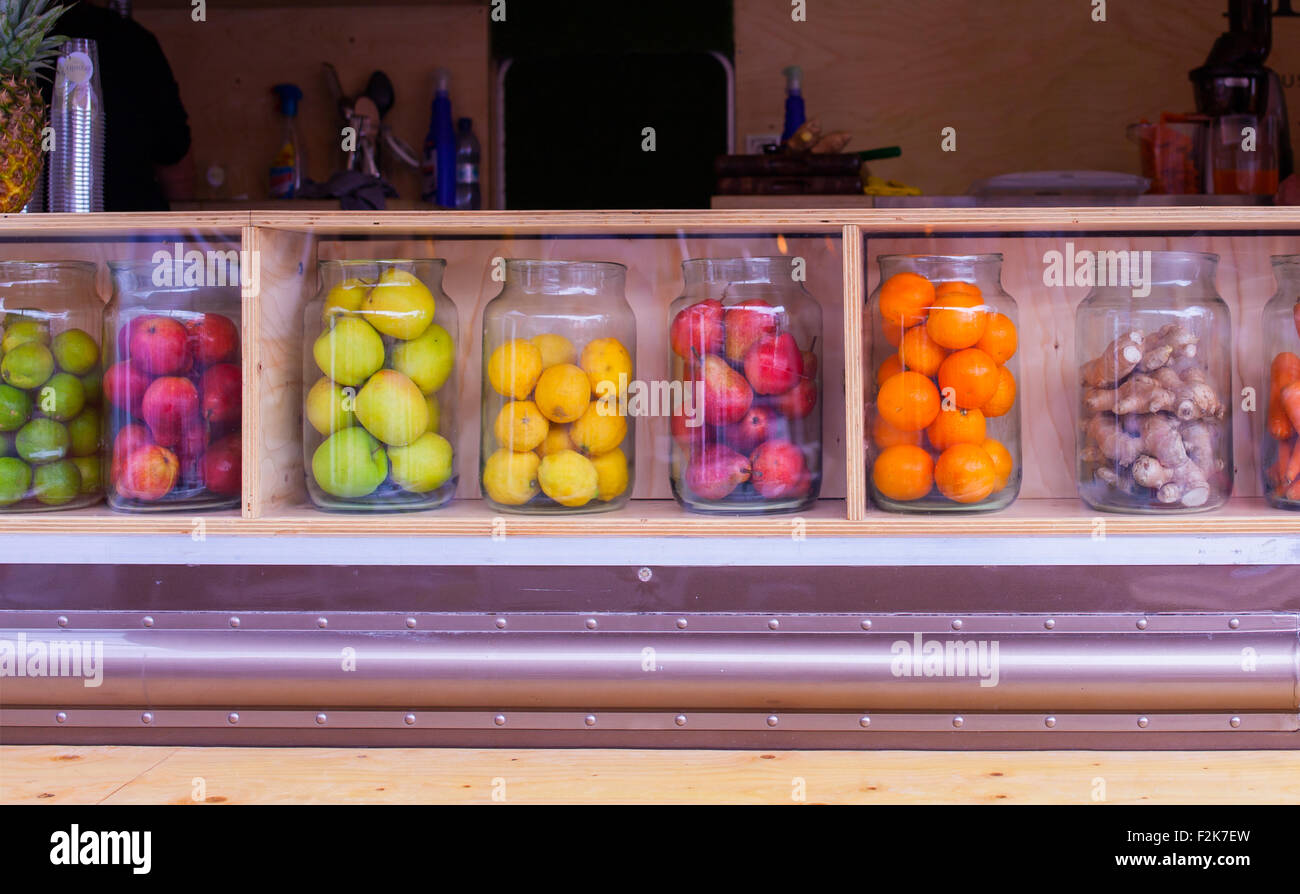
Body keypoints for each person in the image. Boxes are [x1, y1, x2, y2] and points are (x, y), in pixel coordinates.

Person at [44, 1, 194, 210]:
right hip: (133, 228)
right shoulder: (134, 40)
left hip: (29, 232)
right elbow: (174, 159)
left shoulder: (21, 49)